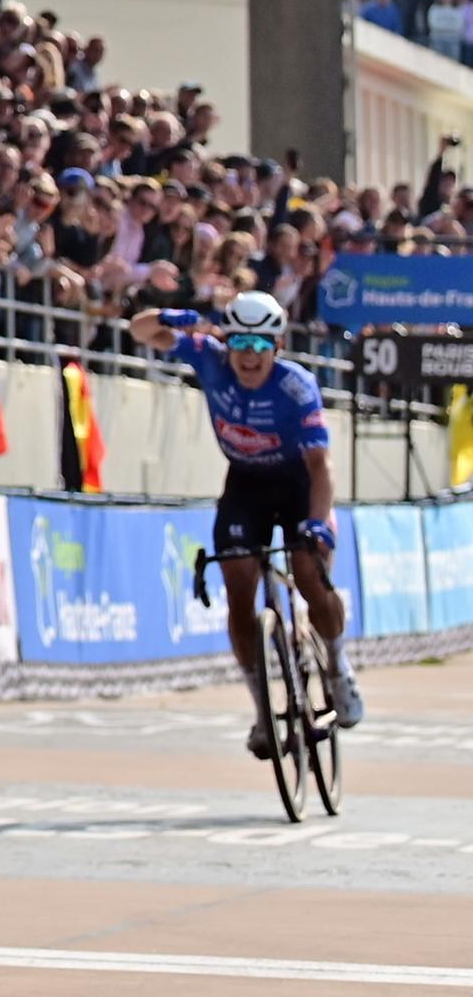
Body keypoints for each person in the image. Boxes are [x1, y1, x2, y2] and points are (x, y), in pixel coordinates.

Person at [125, 291, 360, 752]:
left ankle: (337, 664)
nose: (249, 357)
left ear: (277, 346)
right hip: (246, 485)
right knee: (237, 590)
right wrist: (175, 315)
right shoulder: (209, 360)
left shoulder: (297, 387)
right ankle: (261, 713)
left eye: (260, 347)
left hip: (297, 484)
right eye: (241, 345)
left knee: (310, 576)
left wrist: (316, 523)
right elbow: (139, 330)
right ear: (227, 343)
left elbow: (321, 468)